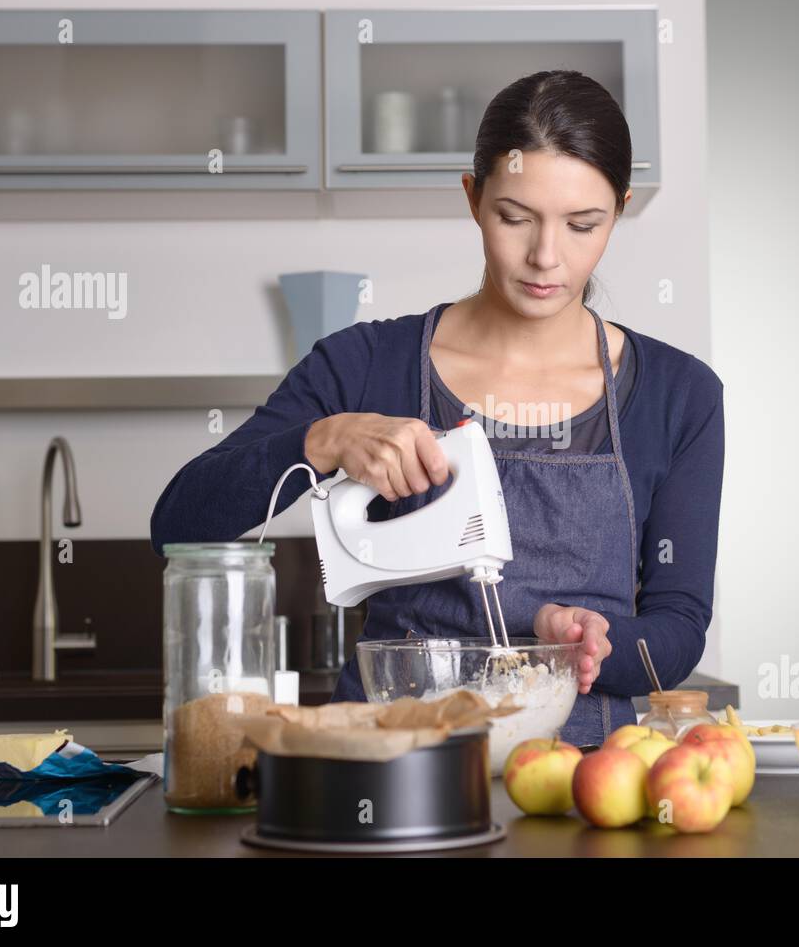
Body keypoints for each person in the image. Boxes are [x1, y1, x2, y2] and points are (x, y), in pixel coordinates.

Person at [150, 69, 725, 747]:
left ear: (619, 211)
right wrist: (319, 441)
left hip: (579, 781)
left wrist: (601, 642)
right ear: (473, 198)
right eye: (515, 216)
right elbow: (177, 522)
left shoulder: (679, 393)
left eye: (582, 224)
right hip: (389, 768)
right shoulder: (365, 364)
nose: (546, 256)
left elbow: (678, 623)